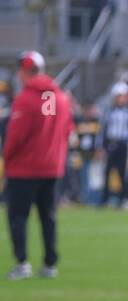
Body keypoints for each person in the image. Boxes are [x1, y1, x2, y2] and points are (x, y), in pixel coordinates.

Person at [4, 52, 74, 281]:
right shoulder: (57, 97)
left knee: (18, 216)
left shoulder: (26, 98)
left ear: (25, 70)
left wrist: (6, 158)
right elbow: (63, 130)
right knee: (48, 216)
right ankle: (50, 263)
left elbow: (17, 136)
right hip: (51, 168)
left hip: (24, 169)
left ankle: (22, 262)